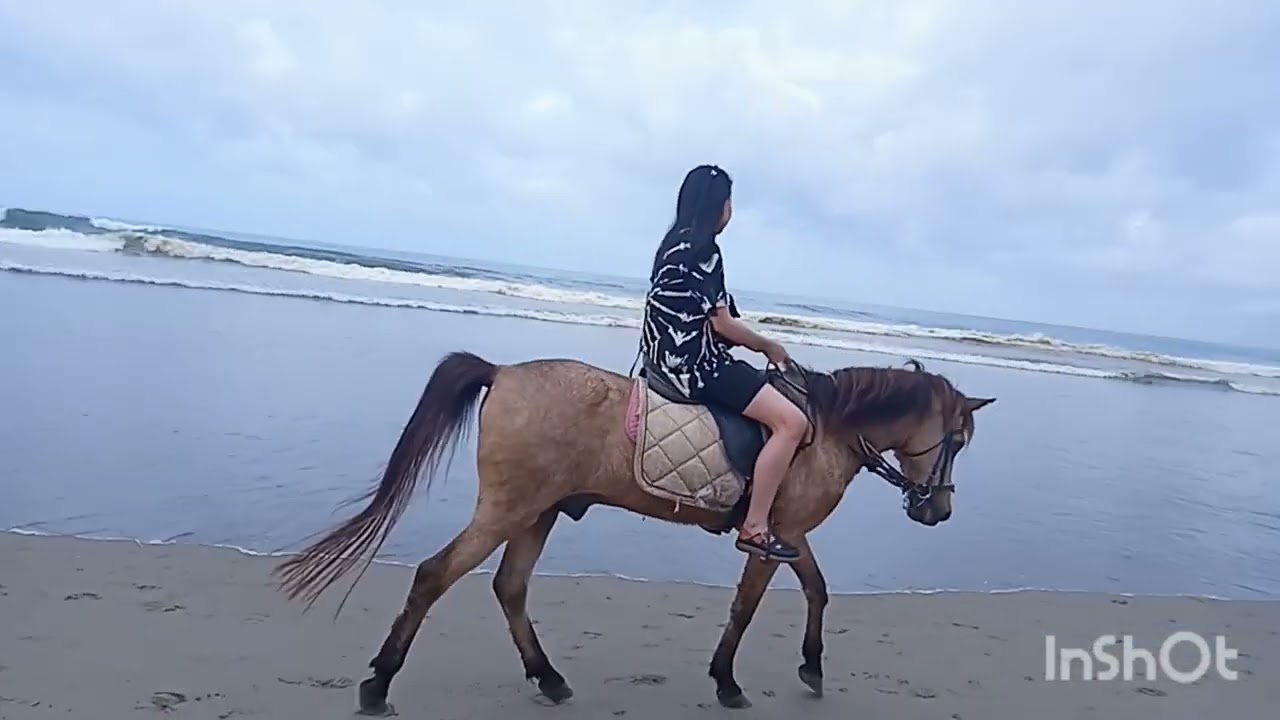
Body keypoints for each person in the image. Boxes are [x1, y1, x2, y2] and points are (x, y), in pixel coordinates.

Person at [639, 164, 810, 563]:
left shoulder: (672, 245)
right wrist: (768, 347)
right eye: (729, 202)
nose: (730, 211)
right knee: (792, 423)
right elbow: (722, 324)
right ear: (717, 207)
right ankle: (755, 527)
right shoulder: (706, 252)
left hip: (660, 362)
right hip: (696, 368)